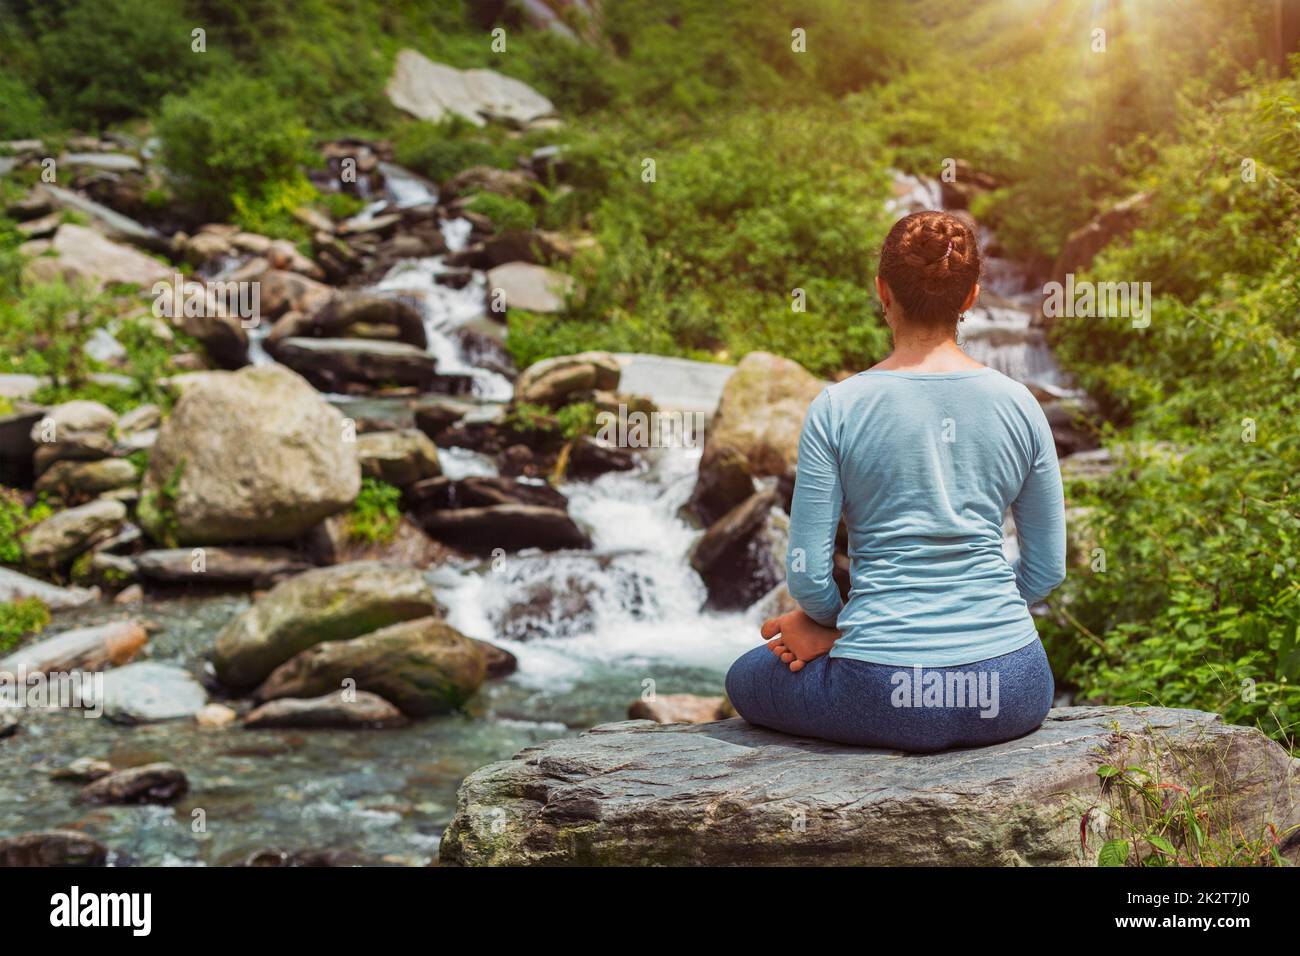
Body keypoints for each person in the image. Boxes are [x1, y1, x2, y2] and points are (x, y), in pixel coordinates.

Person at [724, 210, 1066, 752]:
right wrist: (981, 618)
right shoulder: (1021, 404)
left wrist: (832, 628)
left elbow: (810, 576)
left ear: (883, 291)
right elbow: (1047, 568)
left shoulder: (838, 406)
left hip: (882, 690)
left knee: (744, 678)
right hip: (1013, 687)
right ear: (972, 297)